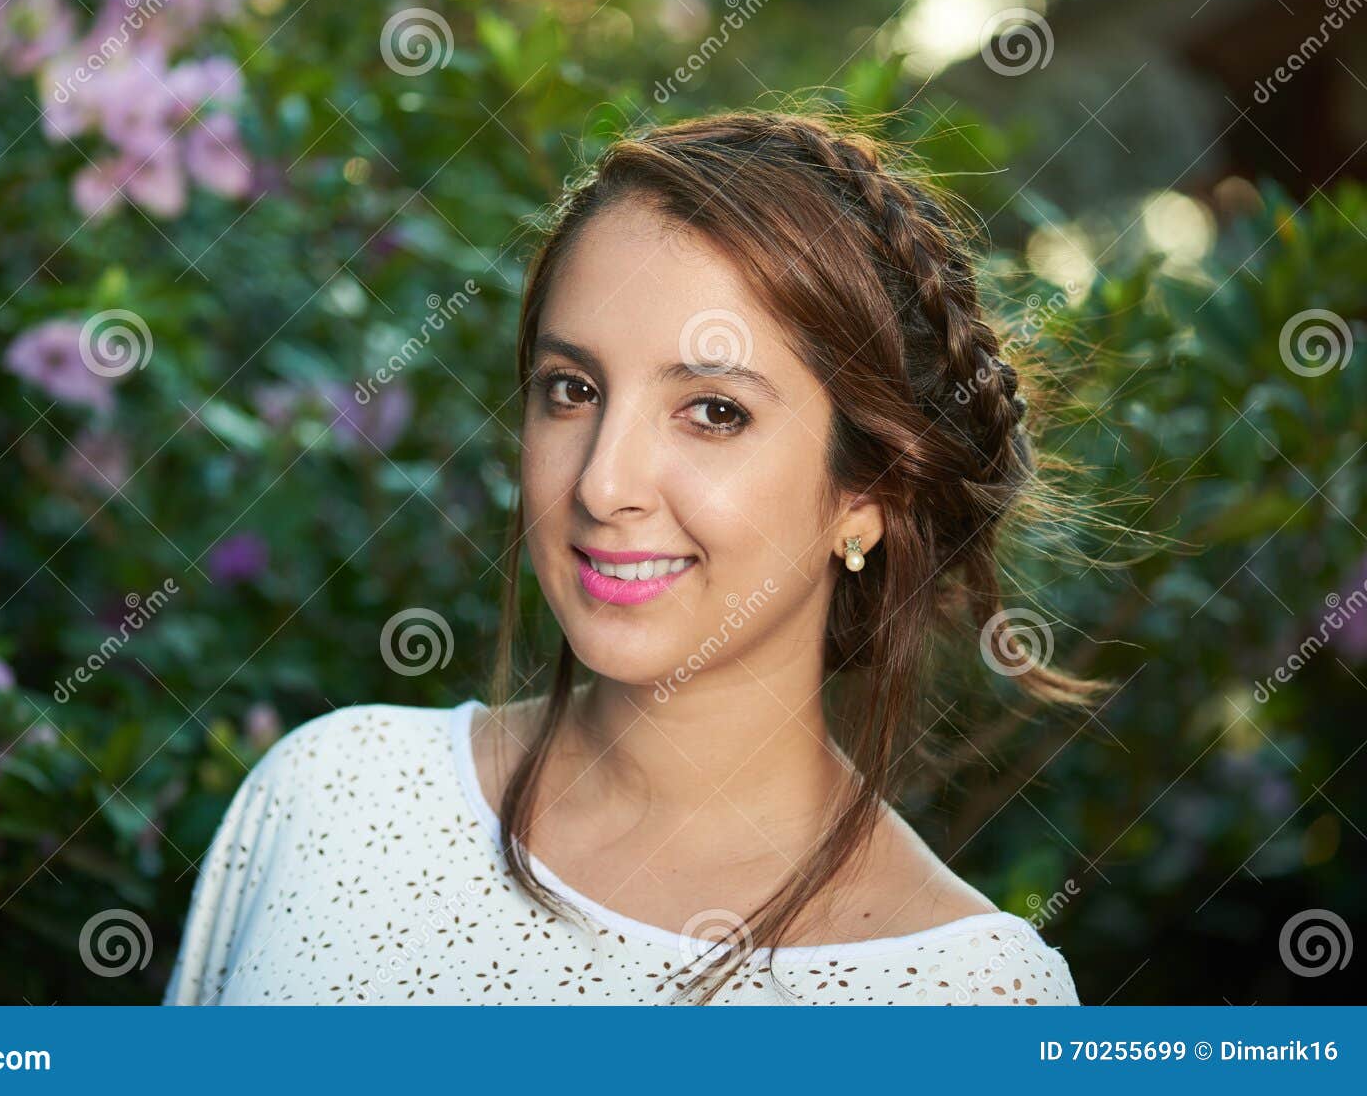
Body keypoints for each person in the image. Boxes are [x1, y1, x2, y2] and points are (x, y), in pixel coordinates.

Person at [164, 109, 1107, 1005]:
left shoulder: (967, 997)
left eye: (714, 412)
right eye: (571, 390)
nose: (602, 482)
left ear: (870, 499)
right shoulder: (333, 795)